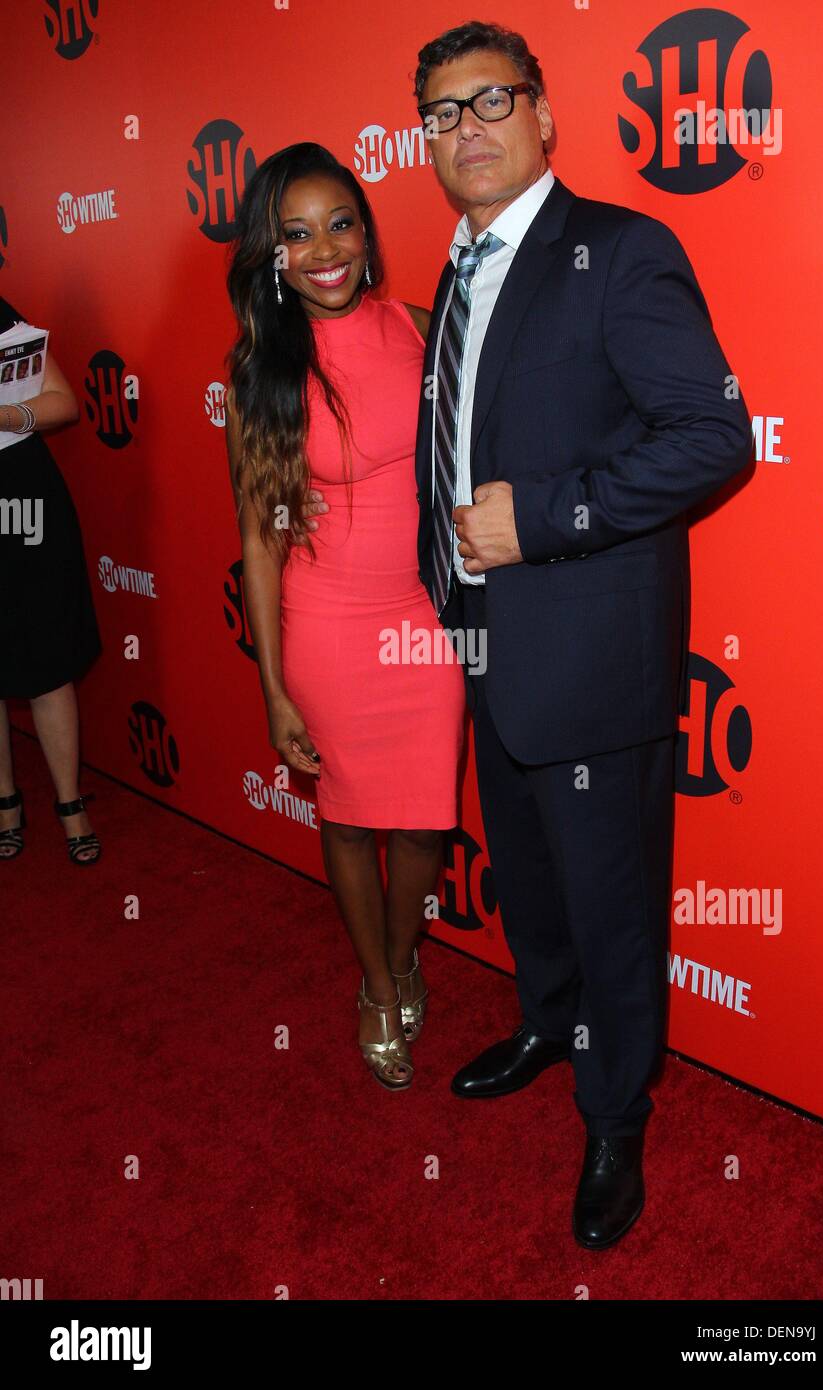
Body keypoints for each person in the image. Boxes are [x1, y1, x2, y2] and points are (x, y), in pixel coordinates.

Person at [303, 20, 752, 1244]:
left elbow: (715, 438)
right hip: (483, 647)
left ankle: (616, 1113)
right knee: (536, 878)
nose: (466, 129)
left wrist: (543, 517)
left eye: (490, 100)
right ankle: (549, 1021)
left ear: (544, 115)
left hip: (592, 655)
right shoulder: (455, 270)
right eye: (441, 113)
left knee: (610, 898)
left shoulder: (620, 250)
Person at [224, 144, 465, 1091]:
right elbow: (259, 540)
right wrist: (274, 686)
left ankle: (406, 954)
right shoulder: (262, 371)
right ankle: (375, 985)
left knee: (422, 827)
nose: (324, 249)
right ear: (270, 255)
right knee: (353, 822)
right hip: (326, 627)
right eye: (296, 234)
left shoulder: (415, 328)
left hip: (421, 619)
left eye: (340, 224)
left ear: (366, 232)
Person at [0, 296, 102, 865]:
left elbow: (66, 403)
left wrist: (7, 416)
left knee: (46, 656)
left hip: (24, 501)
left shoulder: (3, 320)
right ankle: (5, 803)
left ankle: (70, 805)